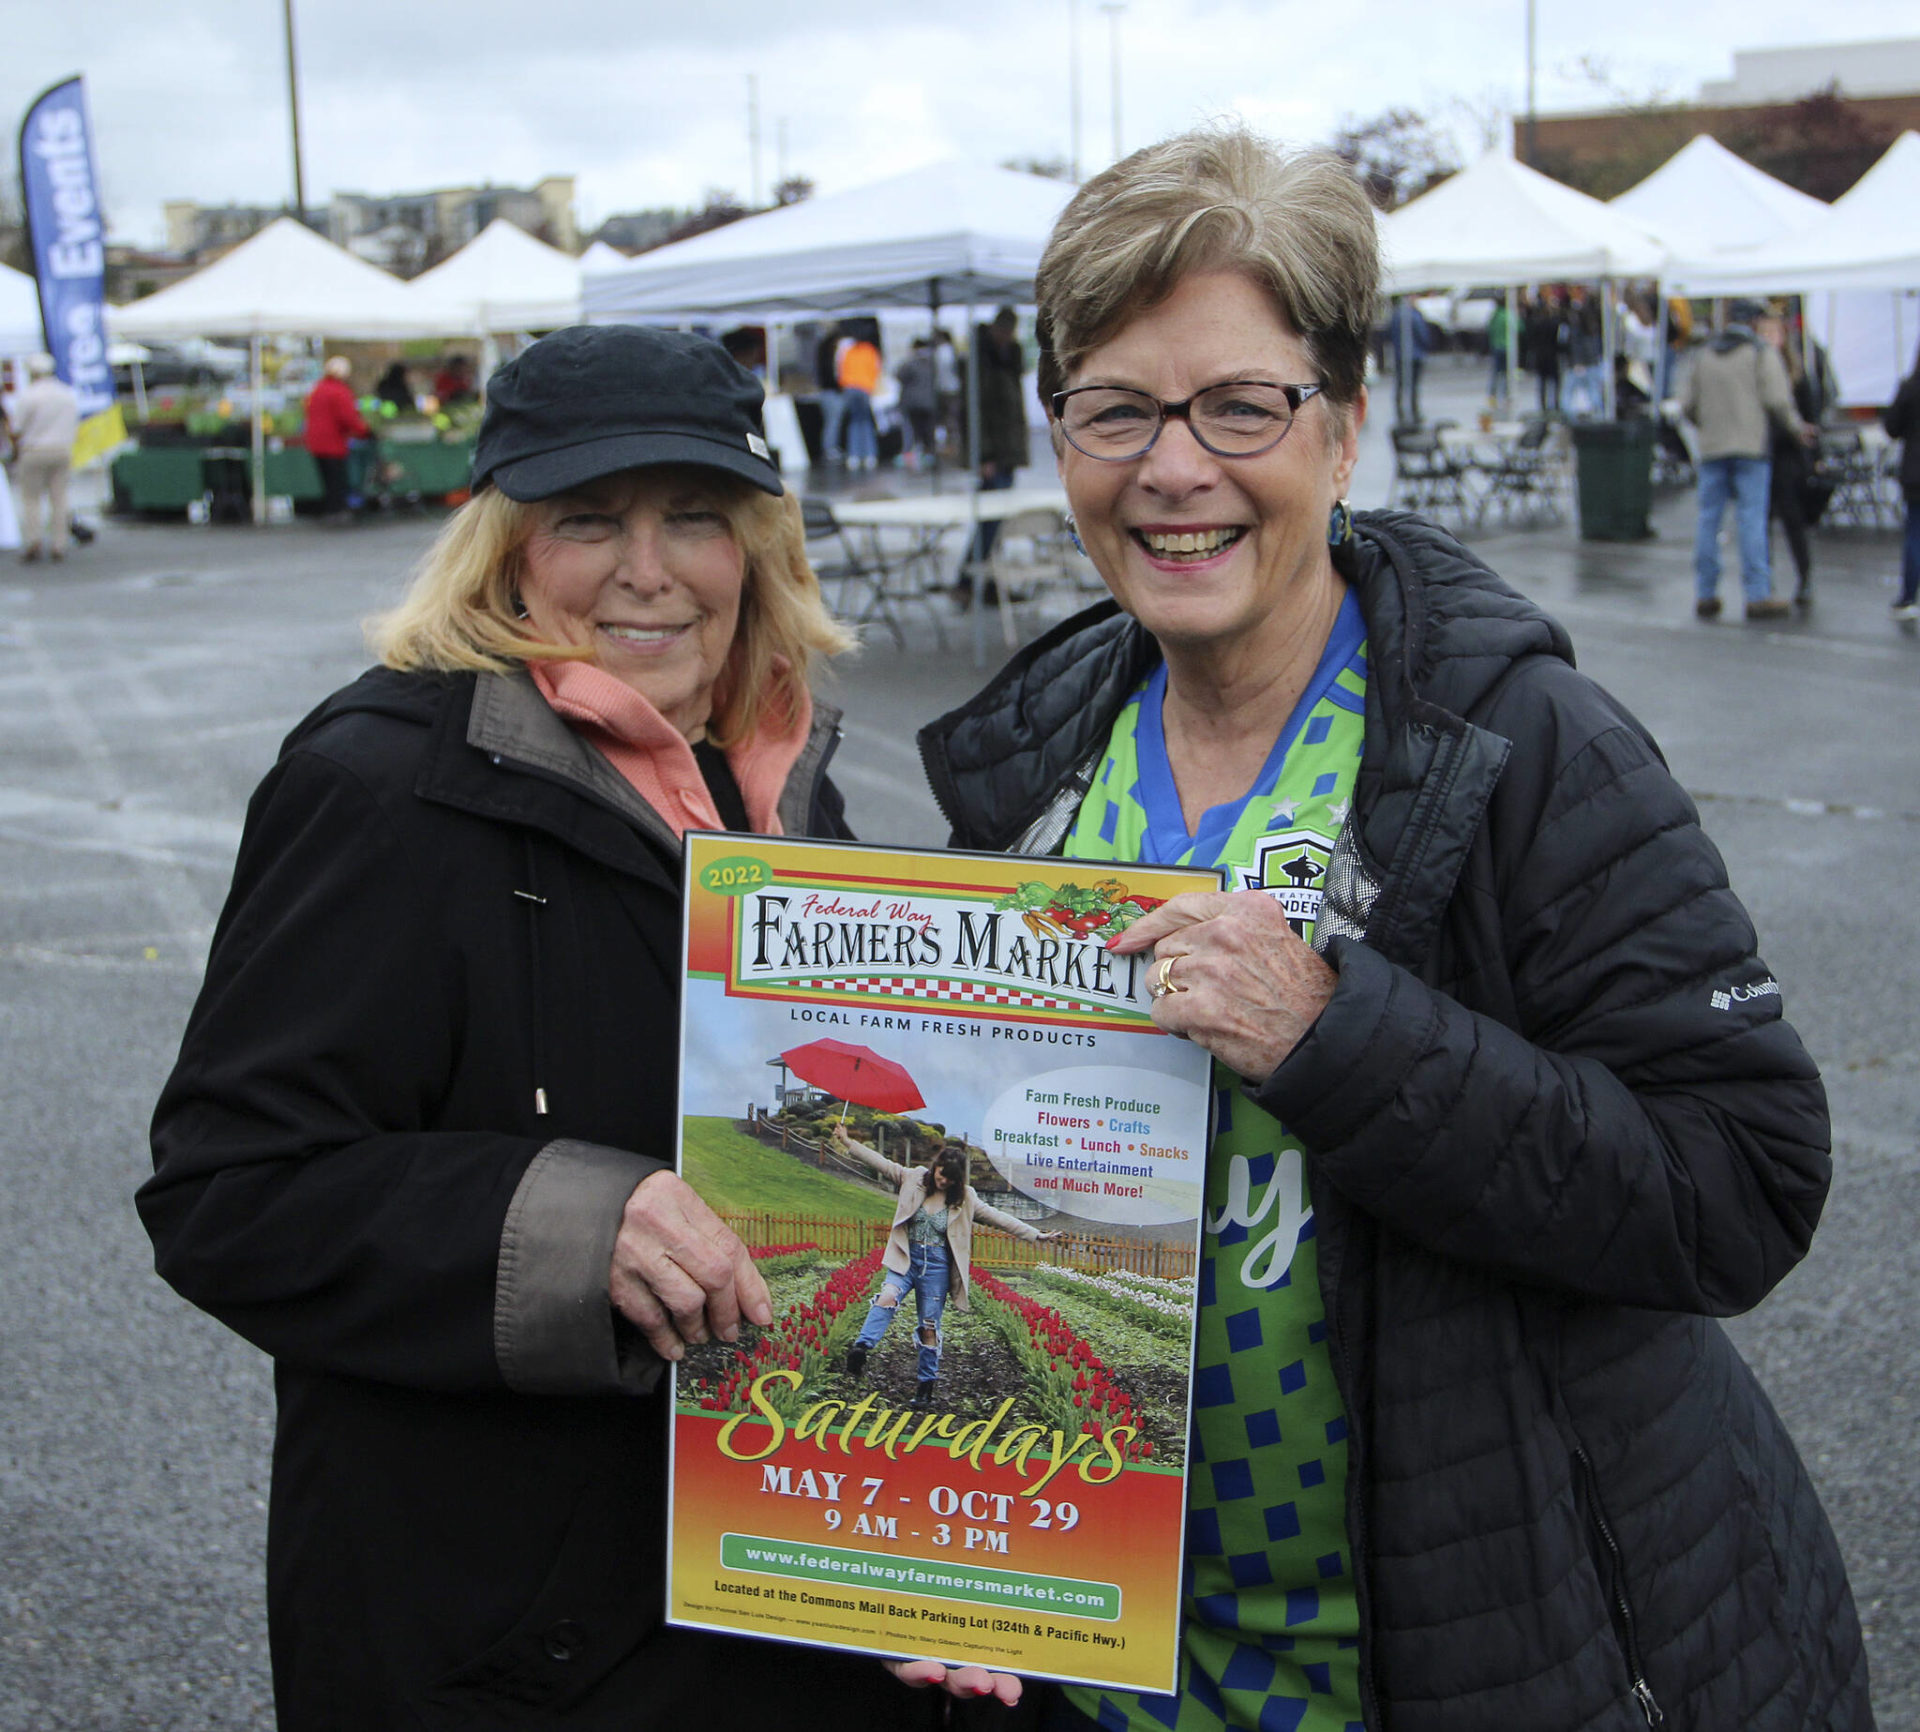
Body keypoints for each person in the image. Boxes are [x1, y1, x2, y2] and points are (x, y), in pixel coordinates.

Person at [917, 124, 1870, 1732]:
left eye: (1240, 404)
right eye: (1117, 408)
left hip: (1459, 1651)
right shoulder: (1034, 763)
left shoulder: (1524, 745)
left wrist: (1334, 1038)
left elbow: (1740, 1183)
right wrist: (957, 1548)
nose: (1174, 466)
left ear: (1345, 432)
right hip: (1118, 1665)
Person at [138, 324, 1016, 1729]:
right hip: (513, 1640)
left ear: (758, 545)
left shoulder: (784, 790)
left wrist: (930, 1559)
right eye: (590, 519)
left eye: (694, 518)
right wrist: (569, 1228)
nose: (649, 569)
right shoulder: (382, 786)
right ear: (505, 548)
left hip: (772, 1592)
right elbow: (228, 1192)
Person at [831, 1125, 1053, 1408]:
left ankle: (926, 1385)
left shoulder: (965, 1198)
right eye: (941, 1174)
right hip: (906, 1258)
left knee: (928, 1327)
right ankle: (861, 1348)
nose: (944, 1181)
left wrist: (1035, 1234)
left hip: (936, 1268)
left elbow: (998, 1217)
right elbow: (882, 1163)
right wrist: (849, 1142)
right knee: (887, 1297)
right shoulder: (913, 1179)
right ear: (935, 1168)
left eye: (950, 1178)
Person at [1681, 298, 1815, 621]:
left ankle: (1705, 591)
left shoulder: (1703, 354)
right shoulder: (1759, 352)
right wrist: (1798, 430)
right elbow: (1777, 400)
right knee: (1751, 521)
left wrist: (1708, 425)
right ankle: (1757, 594)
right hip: (1751, 448)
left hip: (1712, 447)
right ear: (1753, 321)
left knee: (1708, 520)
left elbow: (1687, 404)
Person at [958, 307, 1031, 593]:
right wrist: (984, 455)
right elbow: (975, 412)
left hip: (1007, 451)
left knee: (997, 520)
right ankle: (968, 580)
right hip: (993, 454)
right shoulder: (980, 361)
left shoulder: (1006, 358)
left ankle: (985, 581)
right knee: (989, 521)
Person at [1758, 309, 1825, 609]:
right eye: (1764, 334)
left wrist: (1815, 455)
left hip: (1787, 453)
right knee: (1760, 520)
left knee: (1791, 517)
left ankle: (1805, 576)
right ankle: (1763, 581)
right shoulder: (1755, 369)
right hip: (1761, 451)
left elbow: (1811, 416)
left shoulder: (1797, 374)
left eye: (1774, 333)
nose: (1769, 339)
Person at [10, 354, 80, 564]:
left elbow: (17, 428)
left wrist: (15, 451)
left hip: (34, 450)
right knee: (59, 497)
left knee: (31, 498)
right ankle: (60, 543)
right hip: (62, 449)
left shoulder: (29, 396)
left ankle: (34, 540)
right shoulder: (67, 393)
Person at [303, 356, 370, 521]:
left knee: (327, 478)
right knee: (337, 478)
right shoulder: (340, 391)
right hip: (333, 442)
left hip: (316, 441)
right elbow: (348, 417)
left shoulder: (317, 389)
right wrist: (364, 430)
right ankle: (338, 509)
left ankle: (331, 509)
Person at [1884, 343, 1920, 622]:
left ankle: (1909, 595)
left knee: (1914, 535)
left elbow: (1892, 427)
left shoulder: (1910, 386)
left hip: (1915, 471)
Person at [837, 321, 883, 470]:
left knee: (854, 422)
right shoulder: (870, 351)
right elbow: (875, 370)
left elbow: (841, 370)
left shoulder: (849, 351)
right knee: (866, 421)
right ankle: (870, 454)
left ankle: (854, 455)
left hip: (850, 388)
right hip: (864, 388)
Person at [895, 338, 940, 467]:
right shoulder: (932, 362)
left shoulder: (911, 362)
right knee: (928, 429)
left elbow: (899, 375)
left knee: (911, 430)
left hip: (912, 402)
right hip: (929, 401)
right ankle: (929, 453)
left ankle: (911, 453)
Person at [1386, 295, 1430, 425]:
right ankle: (1414, 410)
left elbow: (1390, 334)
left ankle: (1400, 409)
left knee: (1400, 383)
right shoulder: (1415, 315)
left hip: (1401, 354)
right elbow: (1423, 335)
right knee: (1414, 385)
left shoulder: (1396, 315)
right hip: (1415, 355)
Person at [1523, 289, 1565, 412]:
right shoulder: (1554, 323)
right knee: (1555, 381)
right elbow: (1559, 340)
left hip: (1540, 355)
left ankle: (1543, 405)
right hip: (1552, 355)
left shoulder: (1535, 323)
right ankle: (1556, 404)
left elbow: (1529, 337)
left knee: (1543, 382)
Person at [812, 322, 848, 463]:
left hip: (827, 391)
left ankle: (830, 448)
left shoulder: (822, 349)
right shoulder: (830, 352)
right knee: (833, 422)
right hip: (831, 391)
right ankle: (830, 449)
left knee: (831, 421)